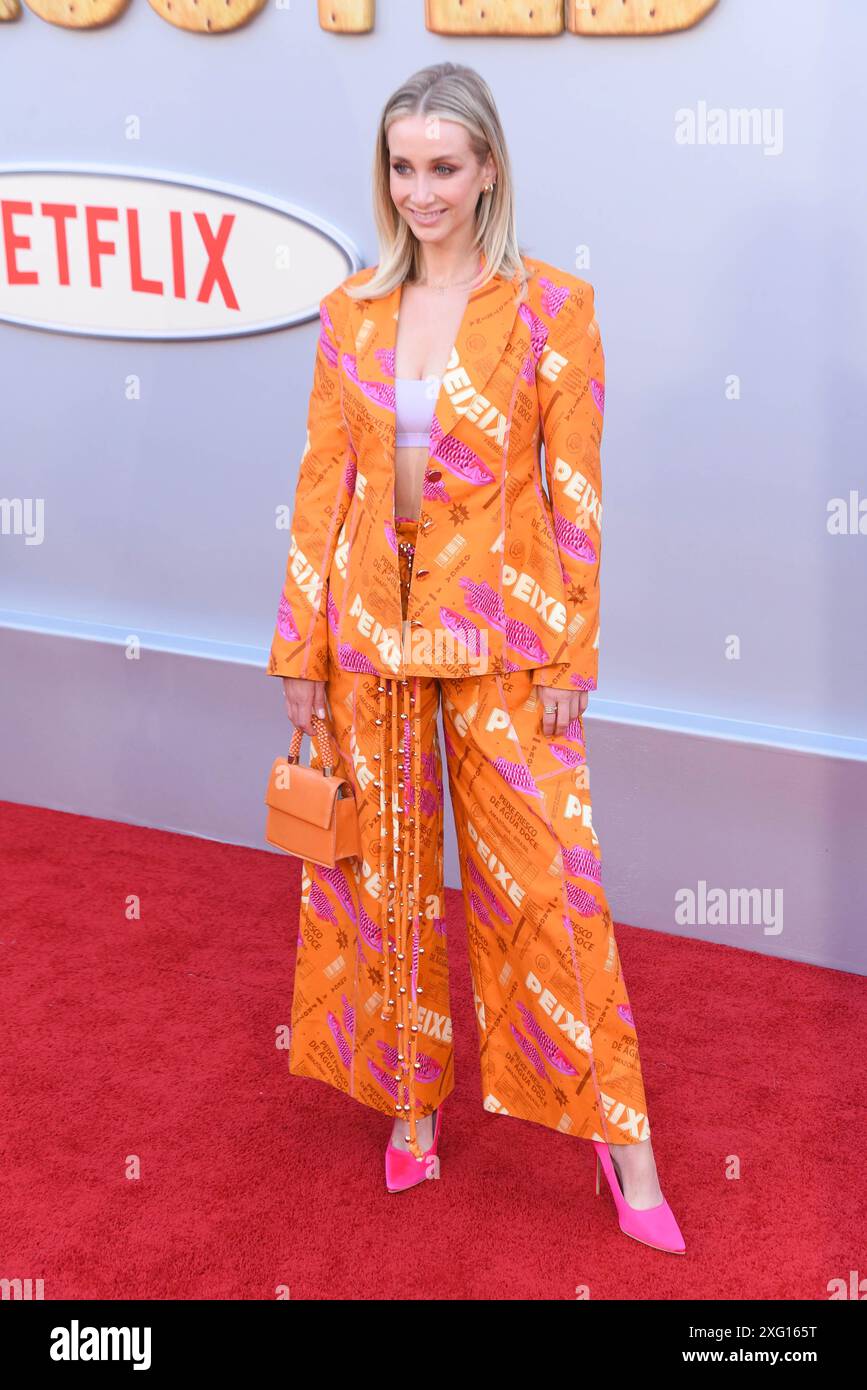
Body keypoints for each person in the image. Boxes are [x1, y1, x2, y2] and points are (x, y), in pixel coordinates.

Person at [266, 61, 684, 1253]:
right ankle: (410, 1102)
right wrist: (299, 642)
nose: (421, 191)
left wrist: (572, 657)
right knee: (380, 884)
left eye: (444, 166)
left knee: (554, 893)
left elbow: (576, 496)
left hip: (505, 646)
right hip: (368, 646)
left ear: (489, 167)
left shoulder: (554, 307)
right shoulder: (351, 311)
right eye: (403, 167)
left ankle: (626, 1149)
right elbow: (322, 488)